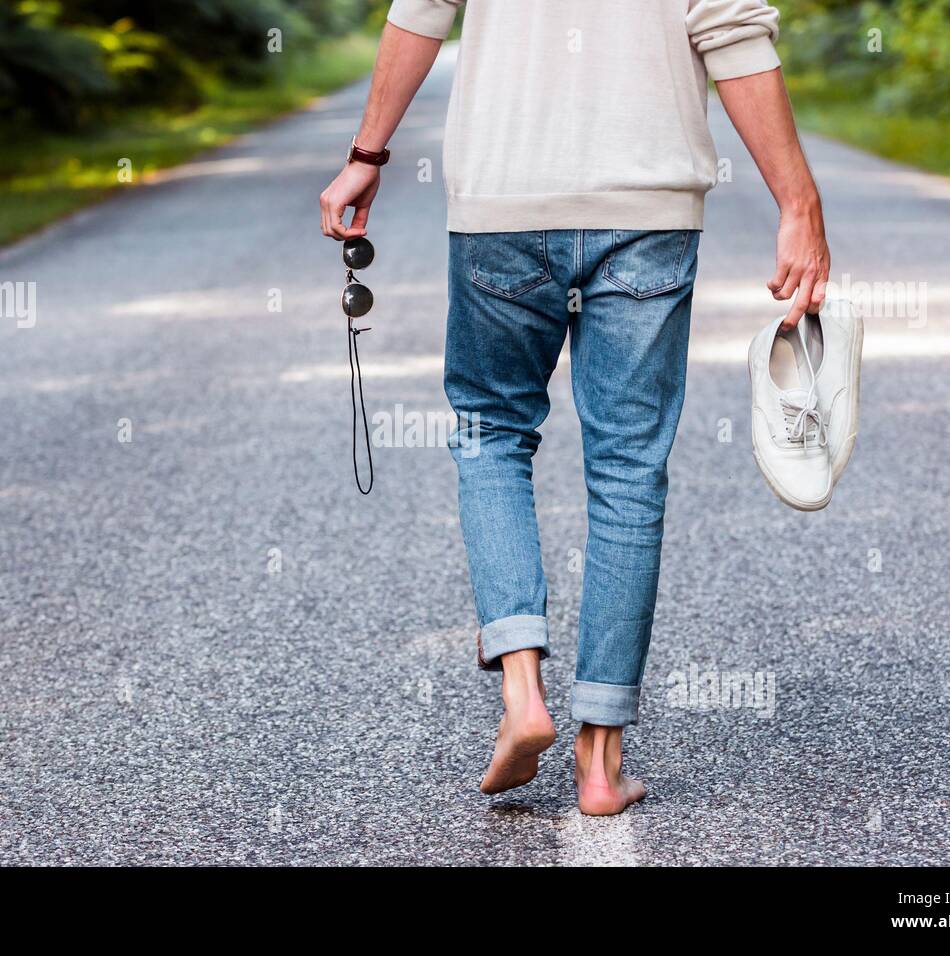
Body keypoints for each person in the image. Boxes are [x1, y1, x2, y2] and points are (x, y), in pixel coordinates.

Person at [319, 0, 829, 816]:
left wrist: (365, 154)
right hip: (648, 209)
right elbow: (733, 32)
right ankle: (601, 762)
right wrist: (797, 204)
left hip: (502, 206)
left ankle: (523, 690)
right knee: (629, 466)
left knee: (491, 433)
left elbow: (419, 11)